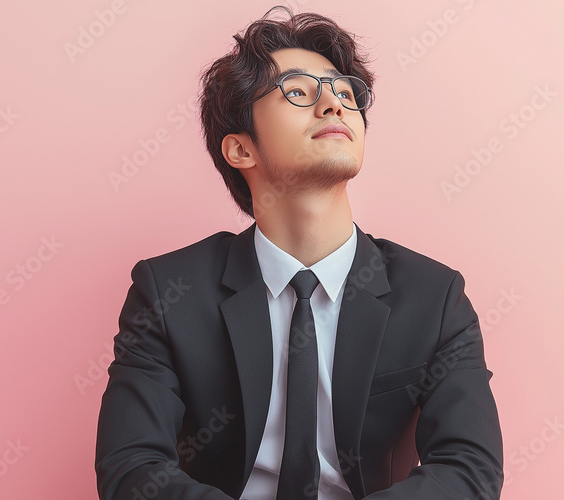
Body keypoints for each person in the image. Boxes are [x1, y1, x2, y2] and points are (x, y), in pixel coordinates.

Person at [95, 6, 503, 499]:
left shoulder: (435, 298)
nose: (333, 104)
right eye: (297, 91)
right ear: (240, 149)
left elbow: (469, 469)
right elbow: (131, 468)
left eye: (344, 91)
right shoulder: (167, 294)